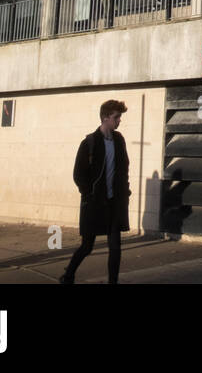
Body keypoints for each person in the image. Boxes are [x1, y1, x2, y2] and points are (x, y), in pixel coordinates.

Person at [60, 99, 131, 284]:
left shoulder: (119, 139)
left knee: (115, 247)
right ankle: (68, 276)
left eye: (120, 117)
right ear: (105, 118)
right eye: (116, 117)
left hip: (114, 202)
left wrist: (125, 191)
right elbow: (78, 174)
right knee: (87, 246)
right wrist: (88, 194)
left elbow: (124, 168)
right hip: (94, 203)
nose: (119, 121)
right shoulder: (89, 143)